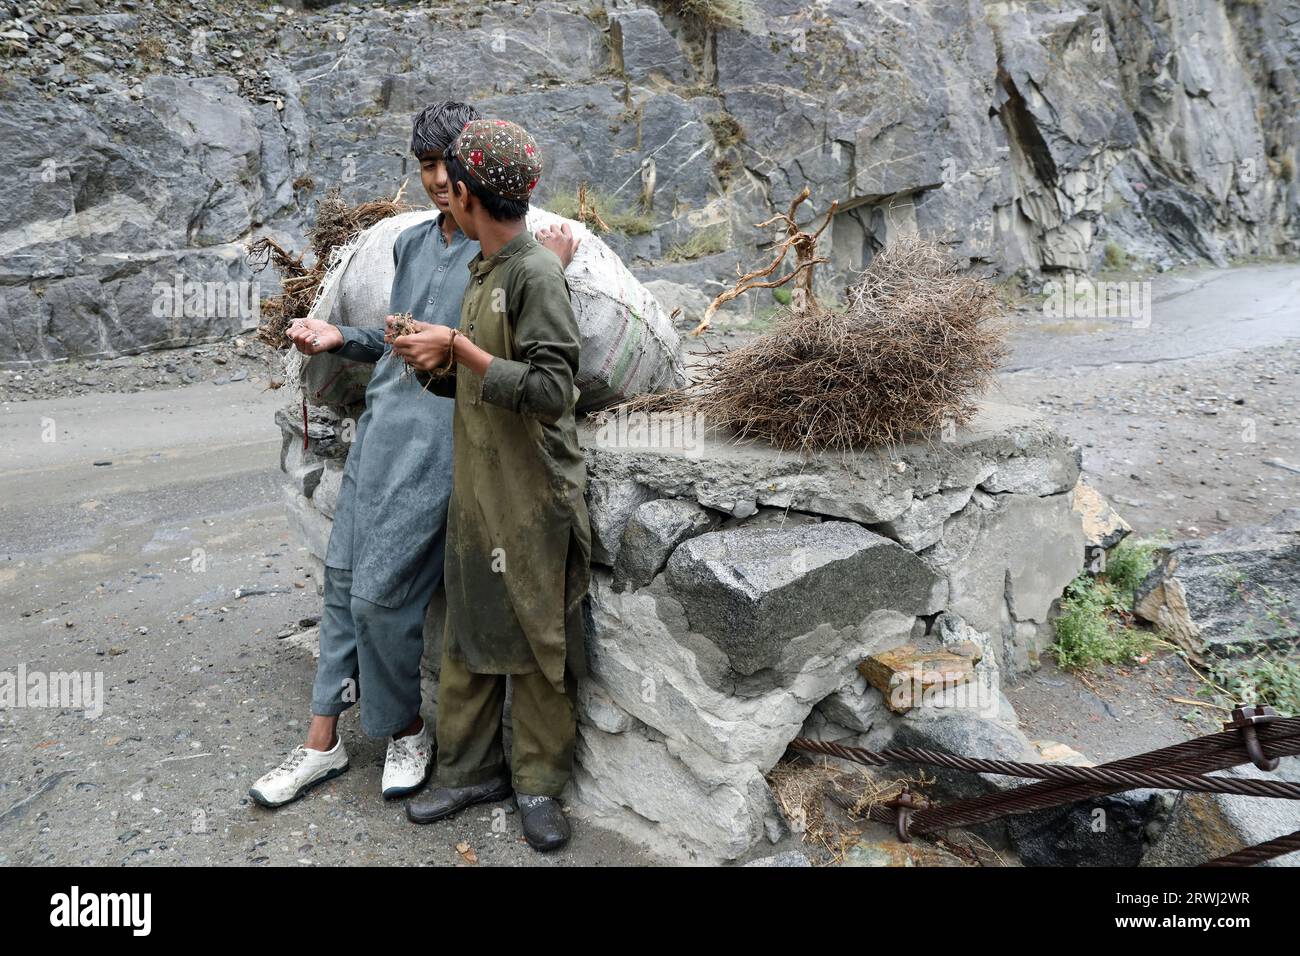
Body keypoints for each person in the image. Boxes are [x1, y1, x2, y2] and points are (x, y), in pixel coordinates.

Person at [249, 103, 580, 809]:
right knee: (340, 584)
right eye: (423, 165)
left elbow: (526, 365)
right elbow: (404, 339)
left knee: (381, 599)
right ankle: (321, 743)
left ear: (470, 178)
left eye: (445, 167)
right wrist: (342, 335)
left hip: (440, 445)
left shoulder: (499, 258)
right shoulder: (410, 246)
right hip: (381, 432)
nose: (434, 180)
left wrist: (547, 267)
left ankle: (406, 731)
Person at [391, 119, 590, 852]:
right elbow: (481, 387)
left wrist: (461, 348)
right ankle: (471, 771)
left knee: (540, 643)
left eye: (451, 184)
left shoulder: (535, 275)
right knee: (471, 633)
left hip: (534, 496)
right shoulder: (486, 267)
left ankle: (538, 786)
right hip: (481, 492)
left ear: (468, 194)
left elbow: (550, 390)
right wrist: (434, 365)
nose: (445, 193)